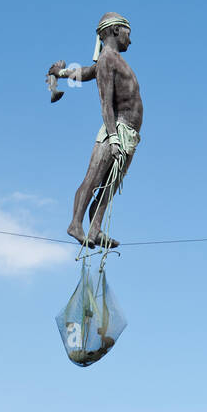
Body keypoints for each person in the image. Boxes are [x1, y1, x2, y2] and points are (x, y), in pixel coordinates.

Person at [48, 14, 143, 249]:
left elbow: (86, 73)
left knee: (109, 185)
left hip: (129, 134)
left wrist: (60, 73)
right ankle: (76, 224)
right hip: (116, 130)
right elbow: (105, 102)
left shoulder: (110, 60)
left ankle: (96, 228)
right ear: (114, 31)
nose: (130, 40)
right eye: (127, 33)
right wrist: (113, 138)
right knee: (93, 178)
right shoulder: (107, 60)